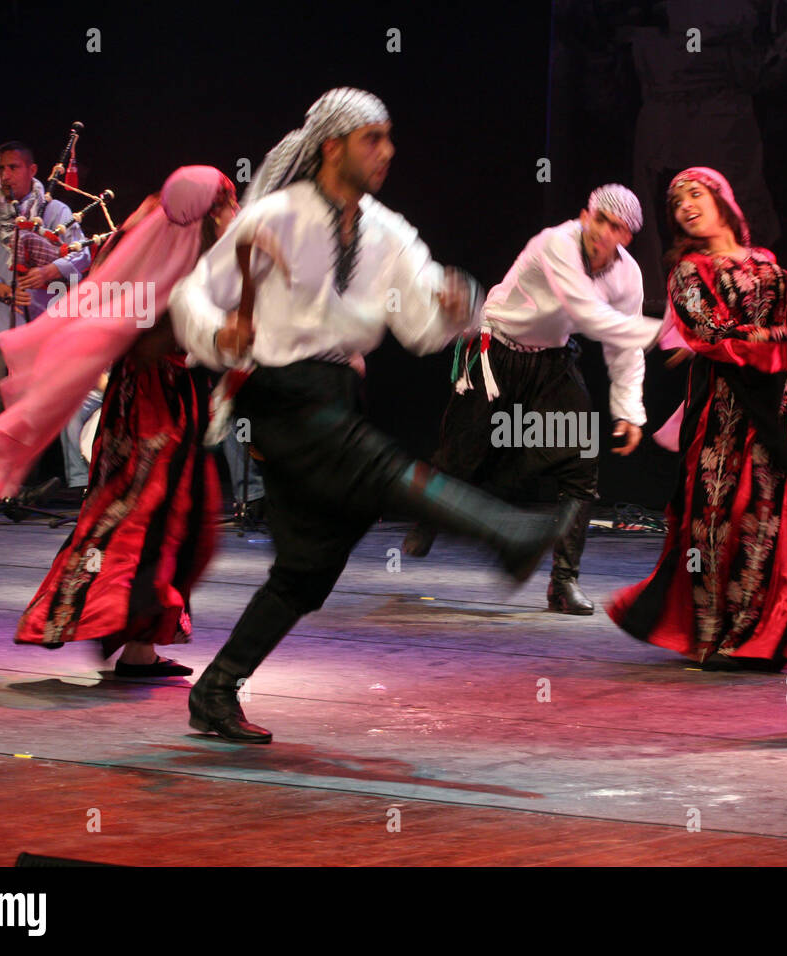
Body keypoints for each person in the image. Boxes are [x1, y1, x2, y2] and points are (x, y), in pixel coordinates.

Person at [170, 88, 561, 744]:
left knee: (307, 569)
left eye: (388, 138)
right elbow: (194, 294)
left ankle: (216, 688)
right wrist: (218, 336)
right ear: (332, 146)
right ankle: (504, 533)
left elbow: (417, 330)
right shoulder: (275, 216)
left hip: (337, 393)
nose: (387, 151)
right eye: (372, 138)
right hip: (281, 391)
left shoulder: (388, 232)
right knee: (377, 466)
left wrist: (454, 305)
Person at [0, 166, 237, 675]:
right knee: (142, 511)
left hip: (165, 397)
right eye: (224, 202)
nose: (232, 213)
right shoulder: (174, 248)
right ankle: (94, 616)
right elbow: (160, 331)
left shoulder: (170, 236)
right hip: (154, 402)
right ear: (202, 209)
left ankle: (139, 646)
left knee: (163, 512)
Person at [607, 167, 787, 668]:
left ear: (723, 200)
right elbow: (712, 333)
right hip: (724, 407)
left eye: (696, 194)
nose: (686, 205)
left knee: (764, 518)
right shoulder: (687, 271)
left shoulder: (769, 263)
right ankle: (713, 633)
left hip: (775, 402)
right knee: (715, 515)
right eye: (677, 202)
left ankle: (758, 635)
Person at [402, 184, 660, 614]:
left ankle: (563, 582)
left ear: (627, 237)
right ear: (584, 215)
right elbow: (589, 316)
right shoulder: (555, 243)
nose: (602, 232)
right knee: (460, 457)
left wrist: (630, 410)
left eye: (616, 227)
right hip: (496, 351)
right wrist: (666, 332)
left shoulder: (627, 275)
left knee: (581, 463)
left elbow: (623, 346)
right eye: (599, 220)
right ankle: (429, 517)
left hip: (550, 362)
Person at [0, 141, 91, 422]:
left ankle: (33, 469)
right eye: (0, 169)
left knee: (31, 416)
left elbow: (82, 255)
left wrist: (50, 271)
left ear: (32, 169)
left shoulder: (55, 211)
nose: (5, 175)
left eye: (13, 167)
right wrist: (8, 292)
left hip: (41, 325)